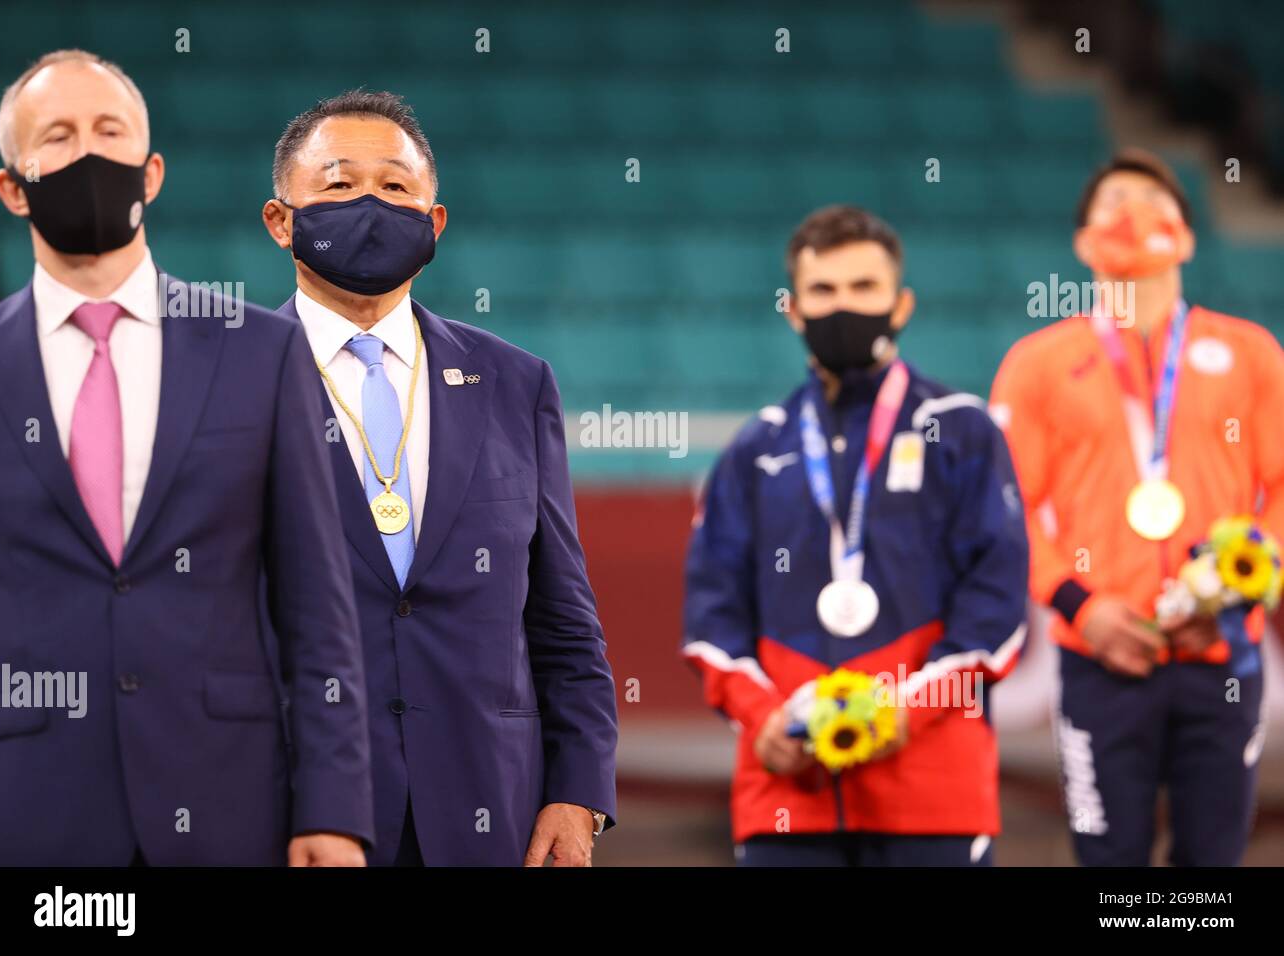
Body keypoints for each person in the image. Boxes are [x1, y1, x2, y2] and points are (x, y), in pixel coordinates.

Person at [0, 50, 373, 866]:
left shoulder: (260, 352)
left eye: (109, 130)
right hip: (22, 809)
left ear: (150, 171)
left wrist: (334, 811)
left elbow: (319, 609)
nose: (88, 153)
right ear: (13, 187)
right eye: (56, 136)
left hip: (231, 805)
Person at [260, 90, 618, 866]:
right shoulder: (224, 380)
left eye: (394, 187)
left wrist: (580, 789)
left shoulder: (515, 383)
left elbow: (562, 616)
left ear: (434, 222)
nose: (368, 205)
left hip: (495, 810)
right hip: (296, 816)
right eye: (337, 184)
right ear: (281, 220)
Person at [682, 205, 1028, 866]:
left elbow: (998, 607)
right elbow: (711, 615)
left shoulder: (961, 432)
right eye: (824, 291)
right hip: (788, 793)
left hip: (932, 793)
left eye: (864, 289)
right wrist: (764, 720)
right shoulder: (757, 449)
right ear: (793, 308)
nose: (843, 306)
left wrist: (909, 709)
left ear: (901, 305)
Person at [990, 148, 1284, 866]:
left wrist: (1246, 576)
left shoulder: (1250, 354)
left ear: (1184, 232)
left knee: (1210, 867)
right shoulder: (1039, 363)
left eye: (1153, 199)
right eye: (1113, 201)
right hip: (1098, 658)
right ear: (1084, 242)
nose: (1133, 213)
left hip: (1221, 647)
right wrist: (1080, 604)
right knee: (1108, 866)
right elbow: (1004, 508)